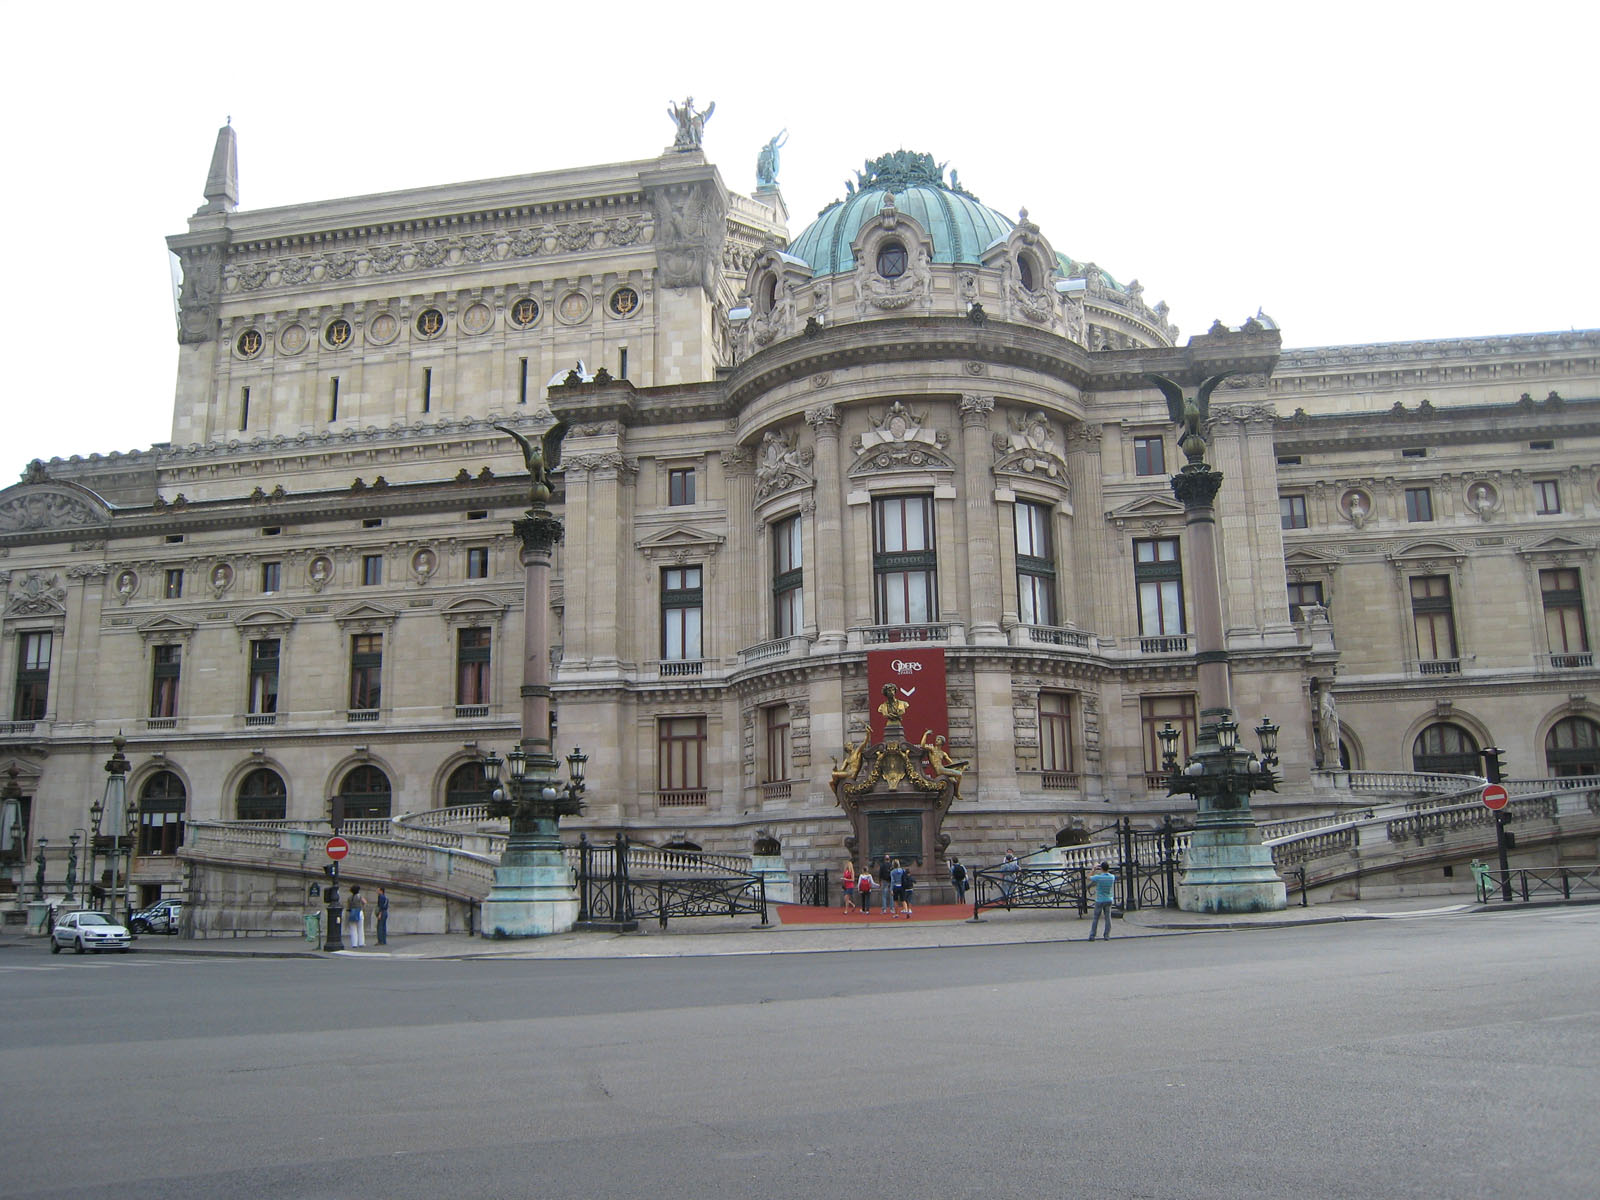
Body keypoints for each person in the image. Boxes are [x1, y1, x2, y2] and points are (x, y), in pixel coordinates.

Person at [1088, 861, 1117, 942]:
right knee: (1108, 918)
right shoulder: (1112, 877)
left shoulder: (1099, 877)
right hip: (1109, 899)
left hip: (1100, 900)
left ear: (1101, 868)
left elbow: (1089, 877)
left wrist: (1093, 869)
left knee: (1096, 918)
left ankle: (1092, 935)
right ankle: (1106, 935)